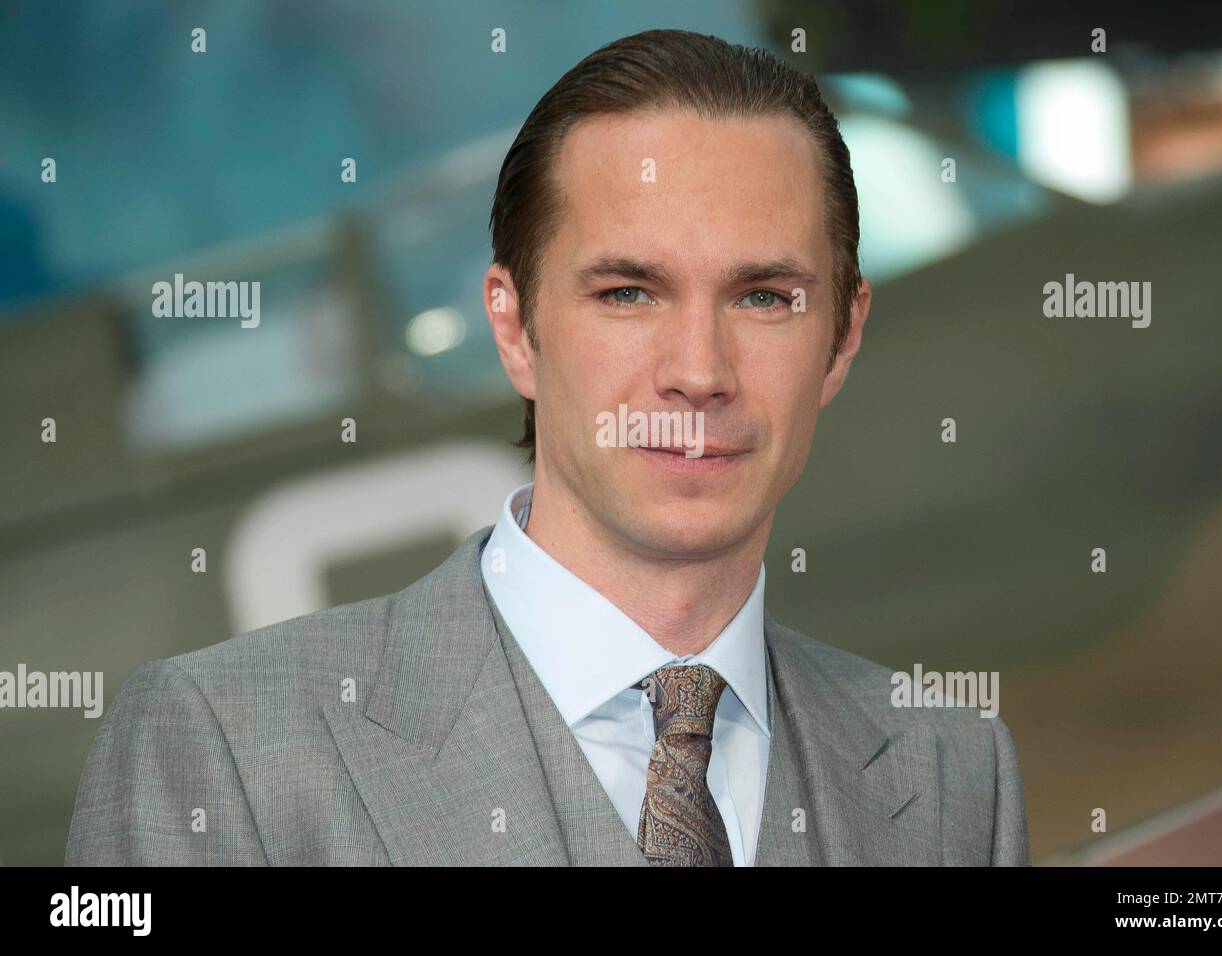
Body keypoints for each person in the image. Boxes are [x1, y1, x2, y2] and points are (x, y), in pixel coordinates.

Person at [65, 28, 1029, 866]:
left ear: (843, 337)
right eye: (626, 293)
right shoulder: (217, 745)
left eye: (764, 297)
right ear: (516, 328)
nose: (699, 370)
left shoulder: (955, 772)